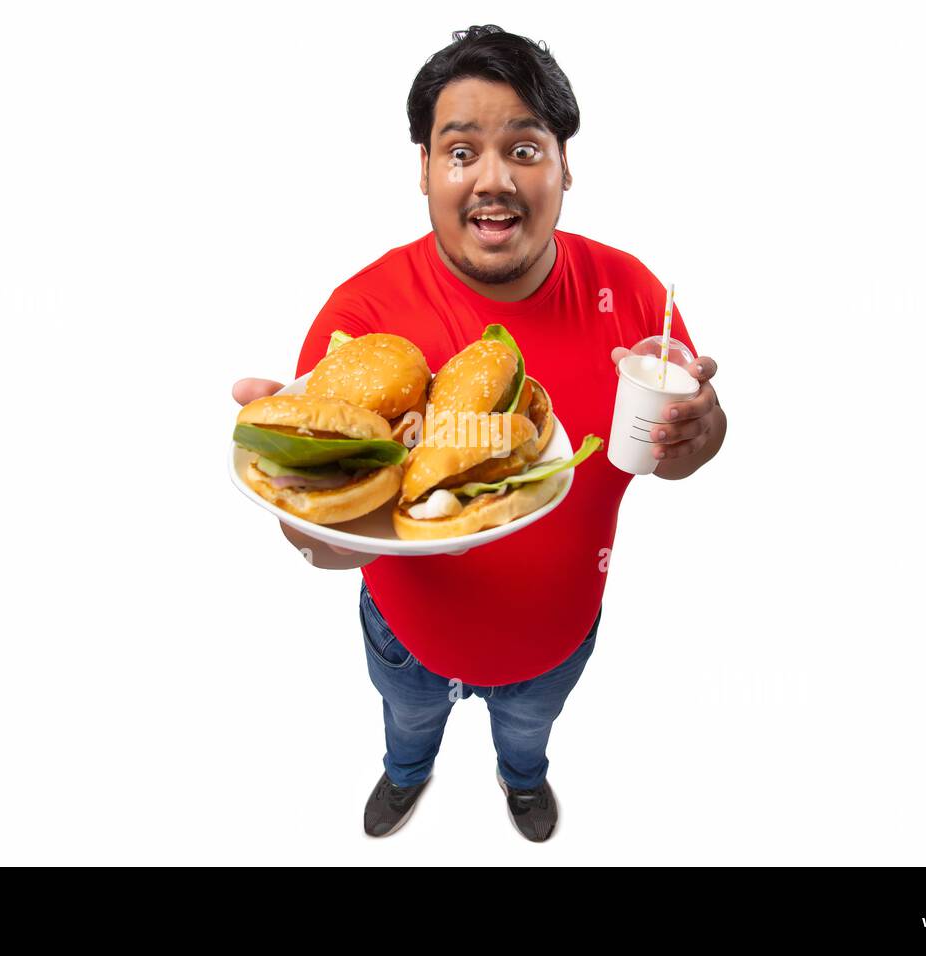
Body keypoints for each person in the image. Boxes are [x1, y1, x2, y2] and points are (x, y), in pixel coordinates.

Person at [231, 25, 726, 842]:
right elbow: (320, 539)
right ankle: (405, 775)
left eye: (524, 149)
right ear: (423, 168)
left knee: (530, 734)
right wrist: (311, 513)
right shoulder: (360, 323)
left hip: (559, 633)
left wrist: (700, 439)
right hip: (405, 635)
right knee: (406, 724)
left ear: (565, 164)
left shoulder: (634, 295)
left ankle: (522, 780)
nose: (492, 180)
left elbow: (674, 455)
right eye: (460, 152)